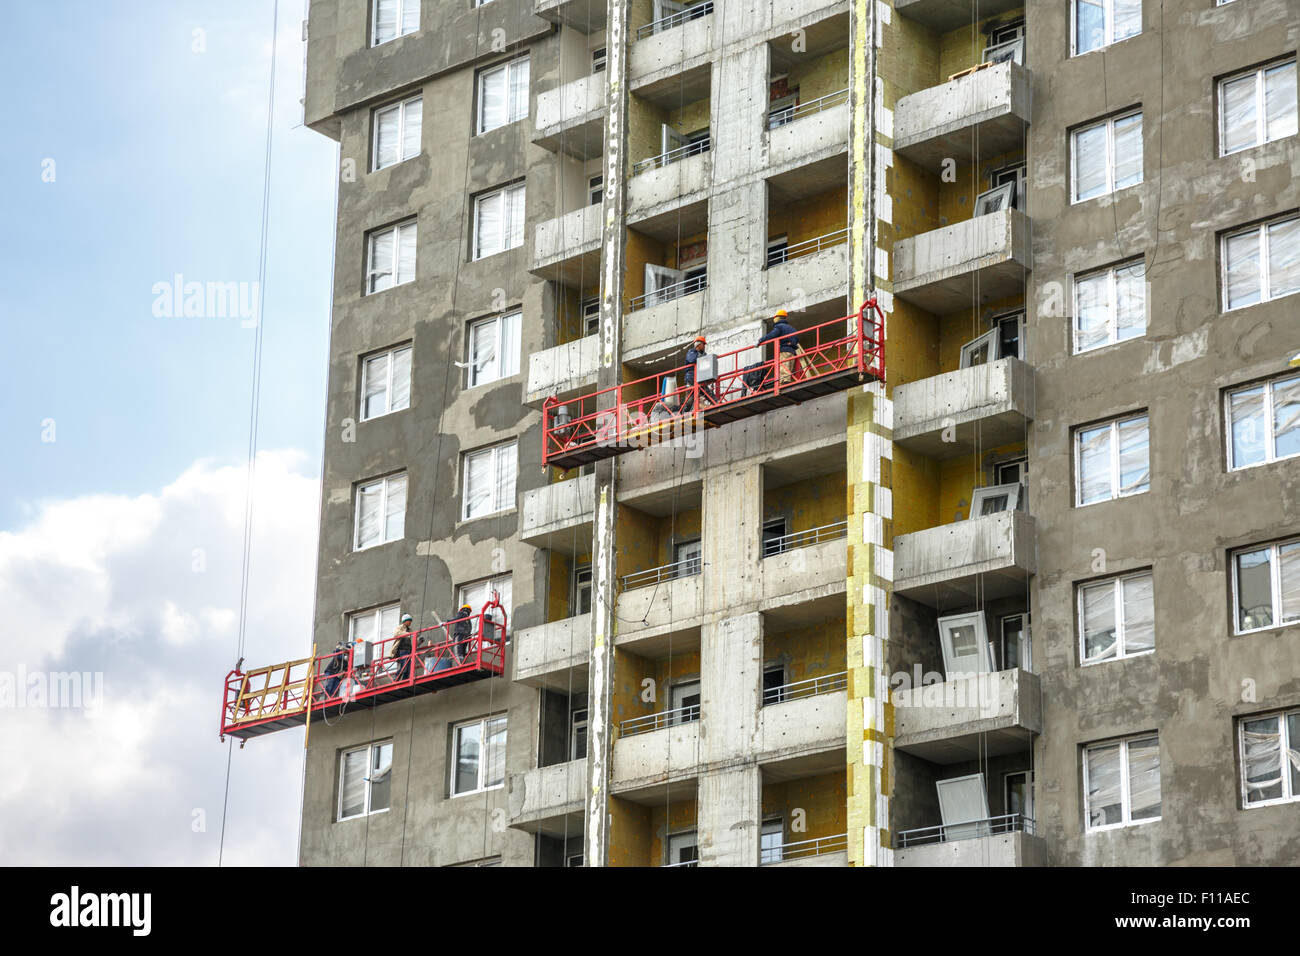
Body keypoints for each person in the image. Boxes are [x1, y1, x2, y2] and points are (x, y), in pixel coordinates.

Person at [757, 309, 804, 384]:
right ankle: (785, 381)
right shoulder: (792, 329)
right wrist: (791, 343)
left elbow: (772, 335)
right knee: (789, 367)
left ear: (777, 318)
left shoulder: (779, 327)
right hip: (792, 351)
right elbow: (796, 339)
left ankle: (785, 382)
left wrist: (761, 340)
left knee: (784, 367)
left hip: (784, 350)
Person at [391, 614, 415, 681]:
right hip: (402, 650)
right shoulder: (400, 627)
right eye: (409, 621)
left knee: (408, 668)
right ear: (405, 621)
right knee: (404, 666)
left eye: (411, 621)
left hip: (409, 650)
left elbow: (413, 641)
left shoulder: (410, 629)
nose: (410, 622)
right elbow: (396, 634)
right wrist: (408, 634)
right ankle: (396, 677)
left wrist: (419, 641)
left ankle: (405, 680)